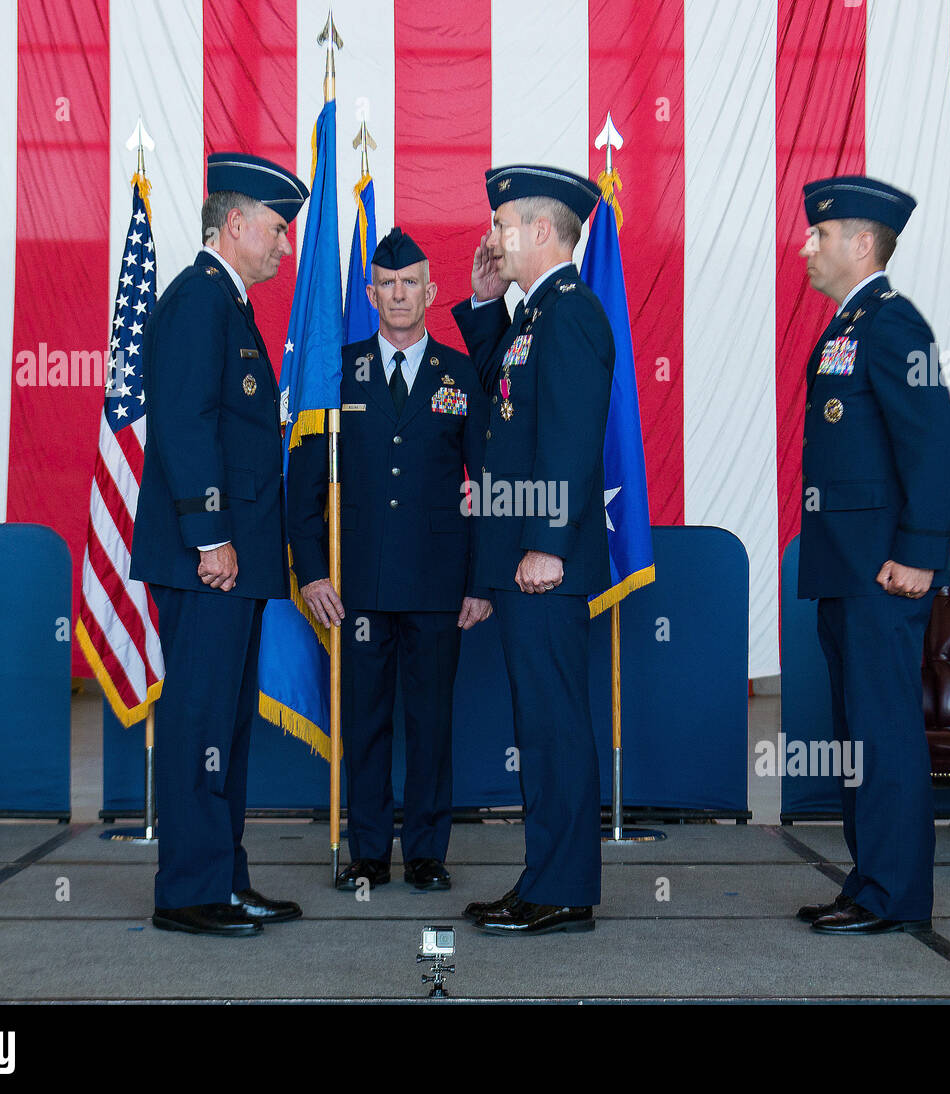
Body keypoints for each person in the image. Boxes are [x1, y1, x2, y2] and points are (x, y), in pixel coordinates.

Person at [131, 152, 308, 937]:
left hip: (229, 561)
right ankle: (190, 892)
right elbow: (183, 425)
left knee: (225, 731)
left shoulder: (226, 304)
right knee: (200, 722)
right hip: (207, 559)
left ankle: (222, 878)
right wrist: (210, 538)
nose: (283, 246)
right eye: (276, 229)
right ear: (233, 225)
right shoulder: (199, 301)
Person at [288, 227, 492, 893]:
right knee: (366, 724)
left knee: (431, 725)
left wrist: (484, 580)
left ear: (432, 292)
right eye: (387, 283)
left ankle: (428, 852)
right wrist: (314, 570)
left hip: (439, 587)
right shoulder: (334, 373)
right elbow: (305, 484)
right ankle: (370, 851)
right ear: (369, 293)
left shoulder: (461, 375)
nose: (399, 293)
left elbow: (488, 484)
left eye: (411, 283)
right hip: (359, 587)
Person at [792, 174, 950, 935]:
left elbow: (935, 442)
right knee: (858, 735)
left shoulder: (893, 325)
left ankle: (895, 895)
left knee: (883, 733)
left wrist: (921, 552)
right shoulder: (849, 325)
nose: (808, 246)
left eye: (820, 235)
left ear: (862, 243)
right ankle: (869, 884)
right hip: (847, 567)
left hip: (884, 572)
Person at [450, 164, 614, 936]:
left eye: (502, 224)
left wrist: (547, 545)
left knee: (553, 725)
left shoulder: (572, 314)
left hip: (544, 561)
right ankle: (547, 877)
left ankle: (565, 887)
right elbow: (503, 402)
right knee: (539, 724)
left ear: (541, 231)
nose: (491, 236)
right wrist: (486, 306)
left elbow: (573, 440)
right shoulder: (534, 315)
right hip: (523, 557)